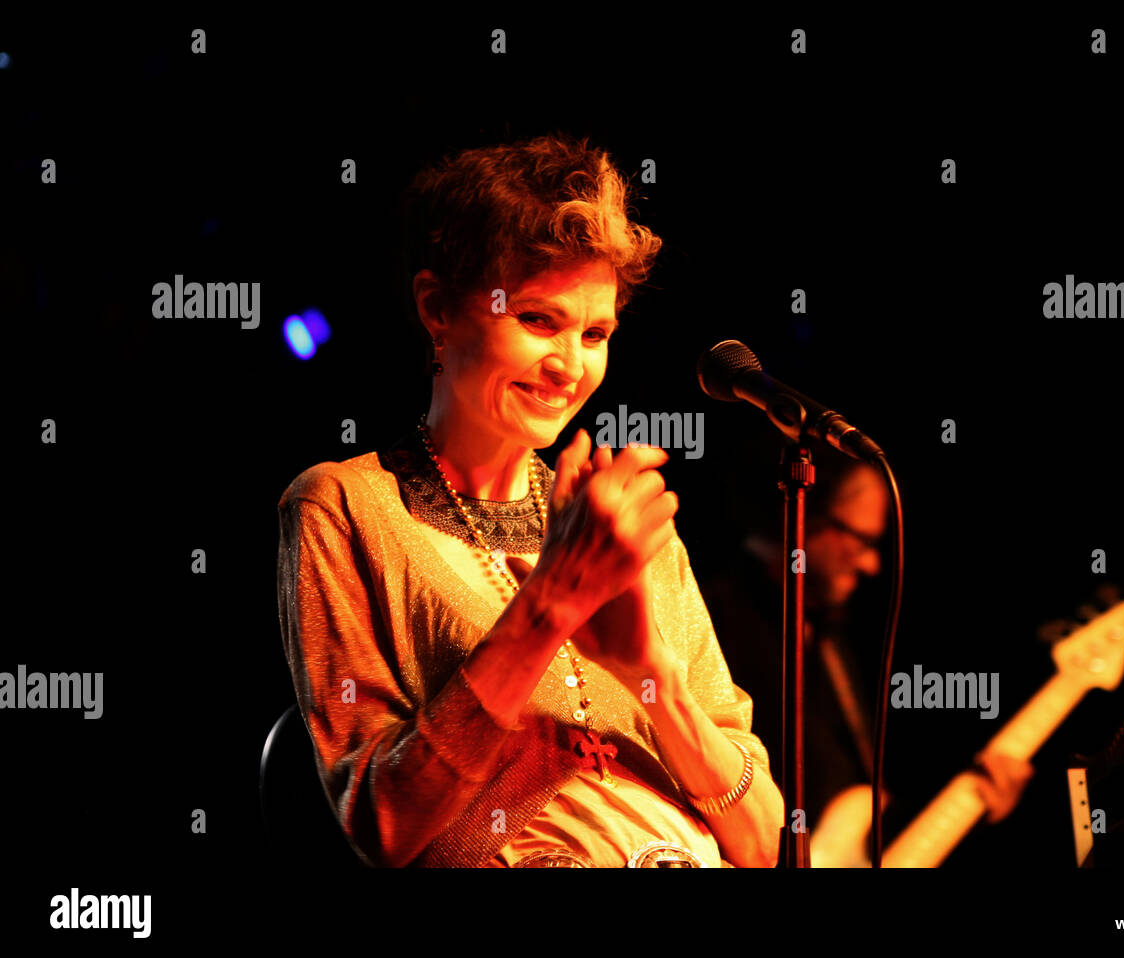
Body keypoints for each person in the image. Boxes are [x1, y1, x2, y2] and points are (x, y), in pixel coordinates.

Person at [276, 133, 784, 868]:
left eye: (596, 332)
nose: (569, 366)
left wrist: (650, 672)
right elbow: (384, 822)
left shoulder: (626, 528)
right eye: (538, 319)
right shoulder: (345, 508)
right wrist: (546, 610)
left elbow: (770, 843)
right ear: (437, 309)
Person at [701, 453, 1034, 866]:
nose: (872, 564)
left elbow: (848, 816)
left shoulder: (830, 633)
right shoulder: (711, 621)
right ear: (806, 512)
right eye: (861, 540)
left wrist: (973, 802)